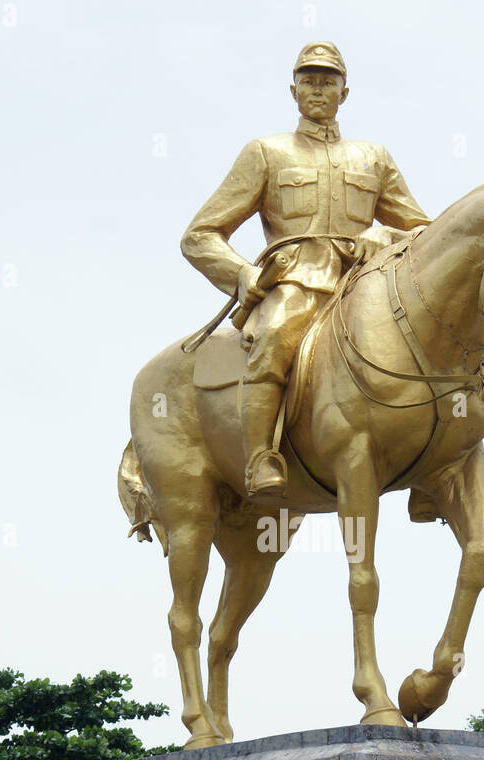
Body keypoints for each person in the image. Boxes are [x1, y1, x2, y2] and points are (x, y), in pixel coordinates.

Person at [180, 42, 429, 496]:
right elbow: (199, 235)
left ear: (345, 92)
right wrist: (242, 275)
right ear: (292, 90)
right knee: (275, 335)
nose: (318, 90)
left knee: (430, 336)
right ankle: (259, 459)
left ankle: (431, 471)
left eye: (328, 81)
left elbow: (427, 232)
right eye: (309, 81)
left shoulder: (374, 158)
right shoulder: (266, 152)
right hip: (297, 284)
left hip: (363, 286)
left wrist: (386, 235)